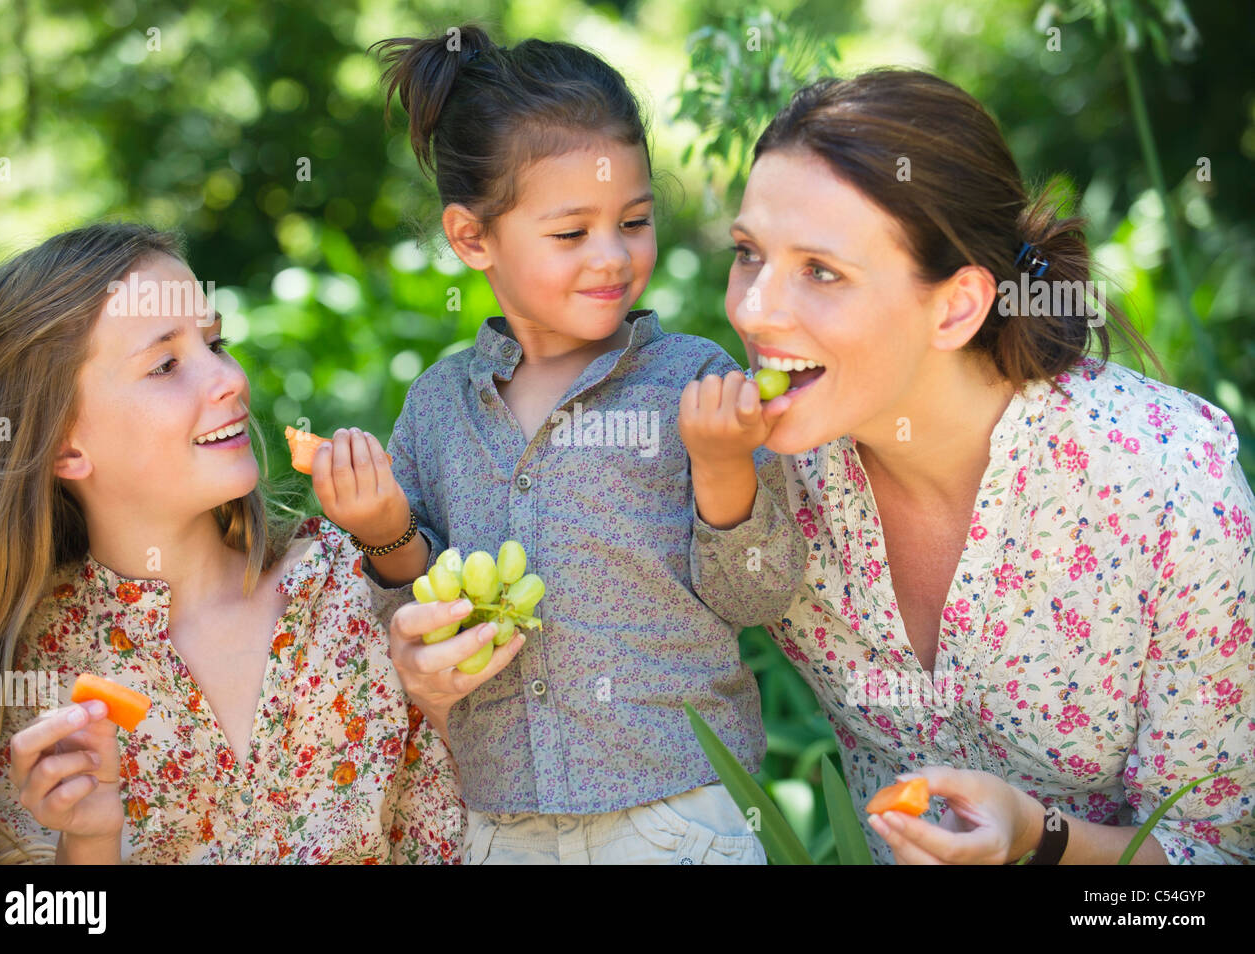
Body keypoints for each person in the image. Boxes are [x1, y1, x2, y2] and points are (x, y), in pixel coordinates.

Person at [681, 68, 1254, 864]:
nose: (750, 309)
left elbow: (1215, 860)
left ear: (956, 306)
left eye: (821, 271)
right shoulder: (765, 475)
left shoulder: (1170, 492)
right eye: (748, 254)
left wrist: (1037, 840)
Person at [359, 26, 808, 864]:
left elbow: (761, 598)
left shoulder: (693, 382)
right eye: (571, 234)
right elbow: (412, 620)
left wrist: (720, 469)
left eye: (633, 221)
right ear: (472, 238)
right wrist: (385, 529)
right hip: (503, 823)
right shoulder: (436, 410)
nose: (612, 256)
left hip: (682, 812)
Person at [0, 223, 464, 864]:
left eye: (216, 343)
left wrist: (395, 547)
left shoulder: (348, 589)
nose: (229, 380)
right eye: (165, 364)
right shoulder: (32, 686)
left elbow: (486, 828)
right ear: (64, 445)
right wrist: (87, 842)